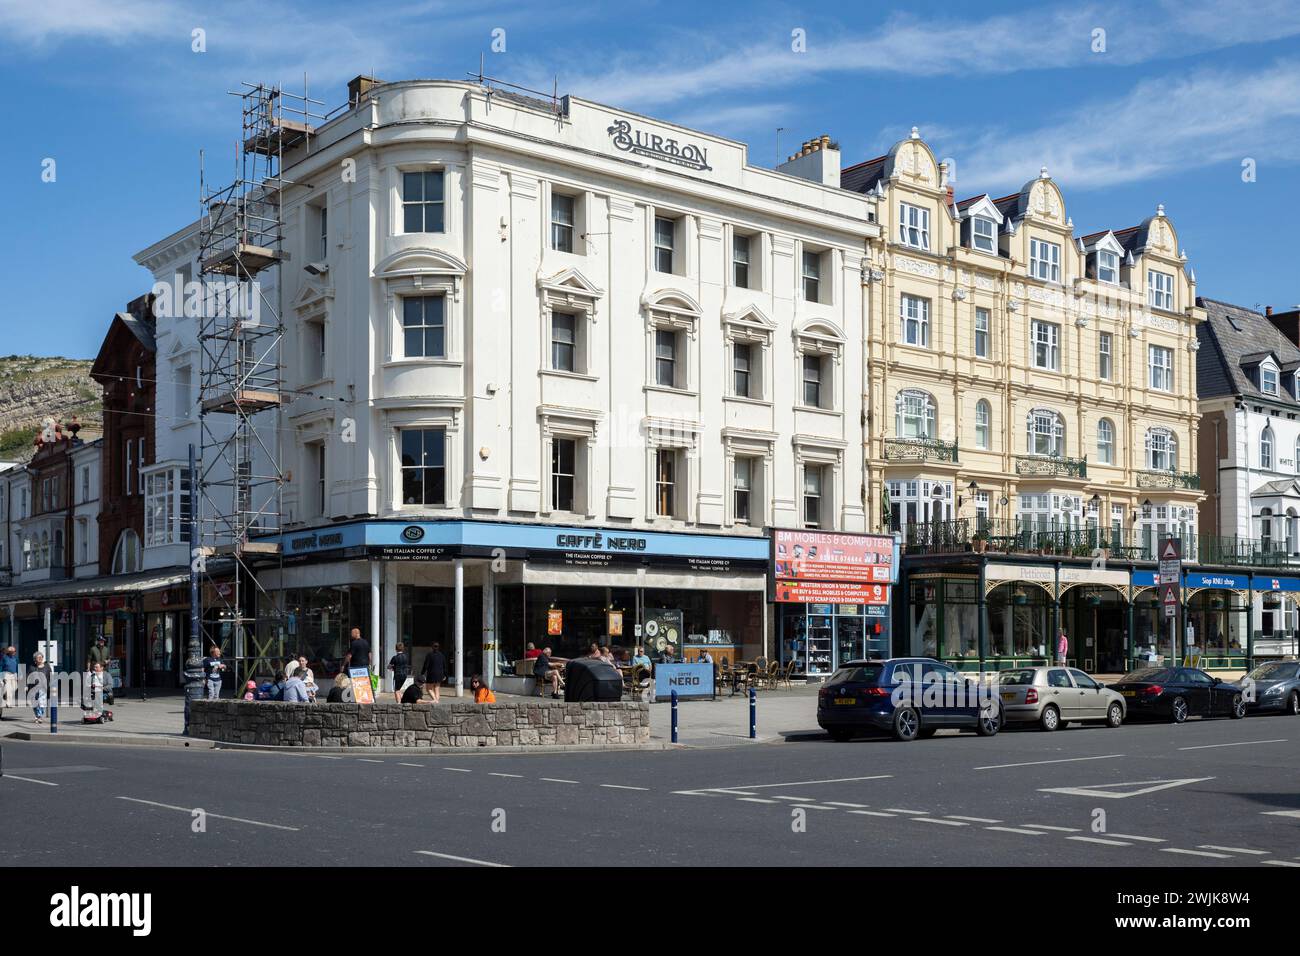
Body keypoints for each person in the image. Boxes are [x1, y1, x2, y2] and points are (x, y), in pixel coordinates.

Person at [28, 651, 52, 723]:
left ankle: (39, 716)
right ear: (35, 659)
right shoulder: (32, 667)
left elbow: (50, 676)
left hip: (43, 687)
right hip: (33, 688)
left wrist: (51, 685)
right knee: (35, 703)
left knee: (42, 702)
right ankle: (38, 716)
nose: (40, 658)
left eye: (41, 657)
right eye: (38, 657)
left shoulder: (47, 666)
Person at [0, 646, 18, 718]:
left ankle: (6, 695)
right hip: (6, 673)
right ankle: (8, 703)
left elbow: (17, 666)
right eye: (11, 652)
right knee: (8, 687)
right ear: (8, 652)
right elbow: (1, 666)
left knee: (14, 687)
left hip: (14, 674)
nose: (13, 653)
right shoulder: (4, 658)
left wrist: (19, 674)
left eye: (14, 652)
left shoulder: (16, 658)